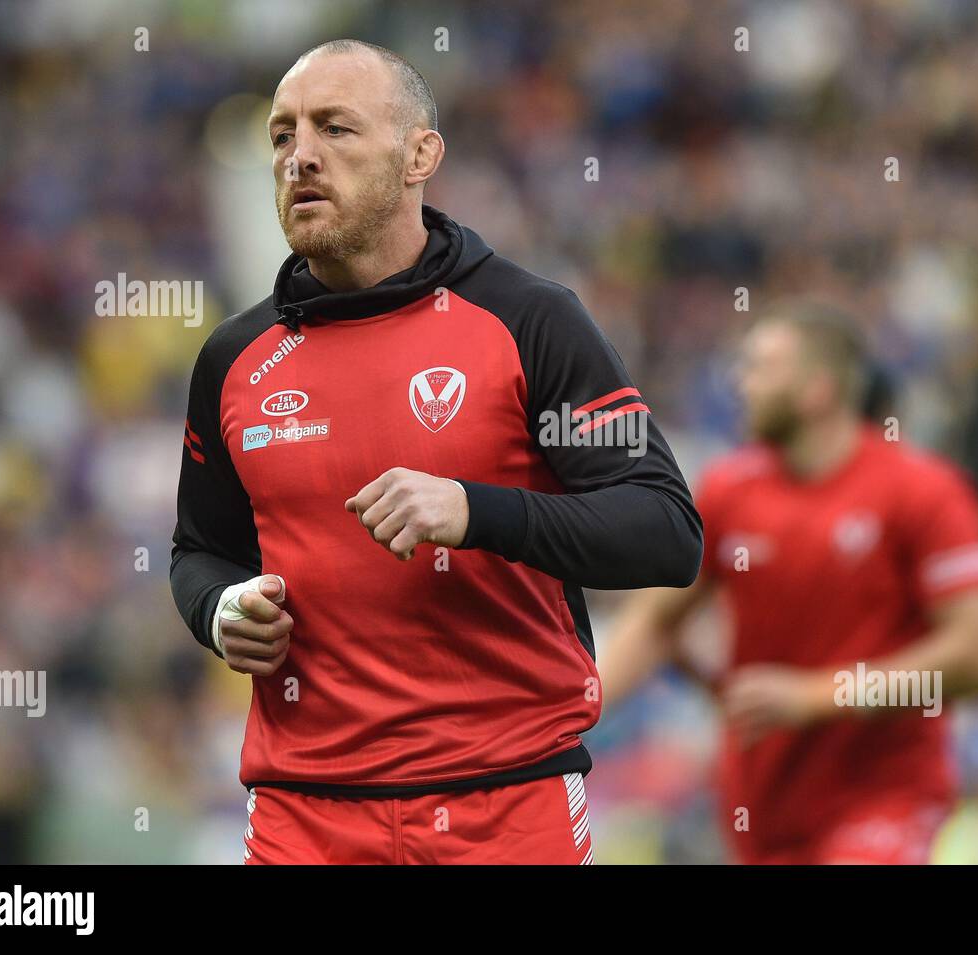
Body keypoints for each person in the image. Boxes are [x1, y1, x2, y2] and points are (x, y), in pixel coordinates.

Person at [169, 39, 702, 864]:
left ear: (421, 154)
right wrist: (220, 609)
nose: (300, 155)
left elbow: (665, 530)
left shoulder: (531, 321)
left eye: (335, 128)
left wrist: (474, 508)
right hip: (303, 812)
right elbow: (200, 550)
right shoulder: (233, 359)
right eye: (282, 136)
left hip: (506, 800)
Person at [597, 304, 978, 864]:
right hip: (763, 802)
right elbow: (656, 620)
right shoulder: (728, 490)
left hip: (885, 796)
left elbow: (976, 659)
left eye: (760, 367)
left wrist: (815, 697)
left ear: (818, 390)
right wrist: (578, 711)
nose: (740, 383)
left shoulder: (924, 492)